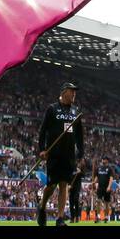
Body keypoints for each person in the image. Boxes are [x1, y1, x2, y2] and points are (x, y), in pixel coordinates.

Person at [36, 81, 83, 227]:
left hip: (69, 155)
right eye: (71, 91)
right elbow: (43, 131)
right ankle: (42, 206)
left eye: (75, 91)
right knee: (51, 186)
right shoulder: (52, 109)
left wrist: (81, 153)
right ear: (63, 92)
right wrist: (41, 149)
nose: (74, 94)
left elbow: (80, 135)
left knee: (63, 185)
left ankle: (60, 218)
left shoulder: (76, 112)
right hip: (54, 154)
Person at [93, 156, 115, 223]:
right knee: (98, 201)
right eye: (102, 159)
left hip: (106, 188)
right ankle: (98, 217)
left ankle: (106, 217)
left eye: (104, 159)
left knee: (106, 203)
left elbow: (111, 179)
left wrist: (109, 186)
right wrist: (94, 182)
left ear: (107, 160)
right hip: (100, 187)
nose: (103, 160)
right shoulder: (98, 168)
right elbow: (96, 177)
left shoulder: (110, 169)